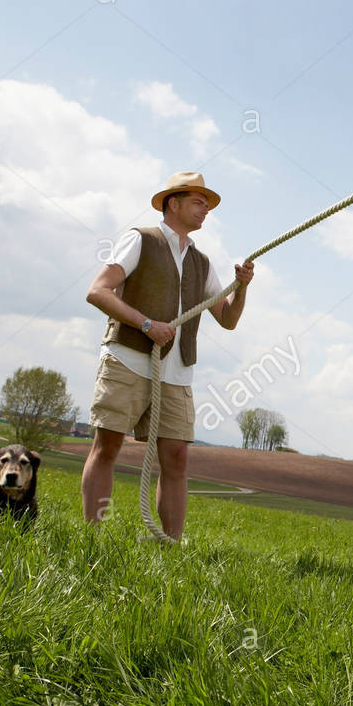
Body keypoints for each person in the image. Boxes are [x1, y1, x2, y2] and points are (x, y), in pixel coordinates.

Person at [81, 172, 255, 537]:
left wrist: (242, 289)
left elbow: (227, 320)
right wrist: (147, 325)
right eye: (198, 201)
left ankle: (171, 546)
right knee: (108, 446)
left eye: (207, 204)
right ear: (173, 203)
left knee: (176, 458)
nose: (206, 209)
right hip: (127, 358)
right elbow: (98, 291)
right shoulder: (140, 240)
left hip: (176, 373)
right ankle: (92, 538)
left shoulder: (202, 262)